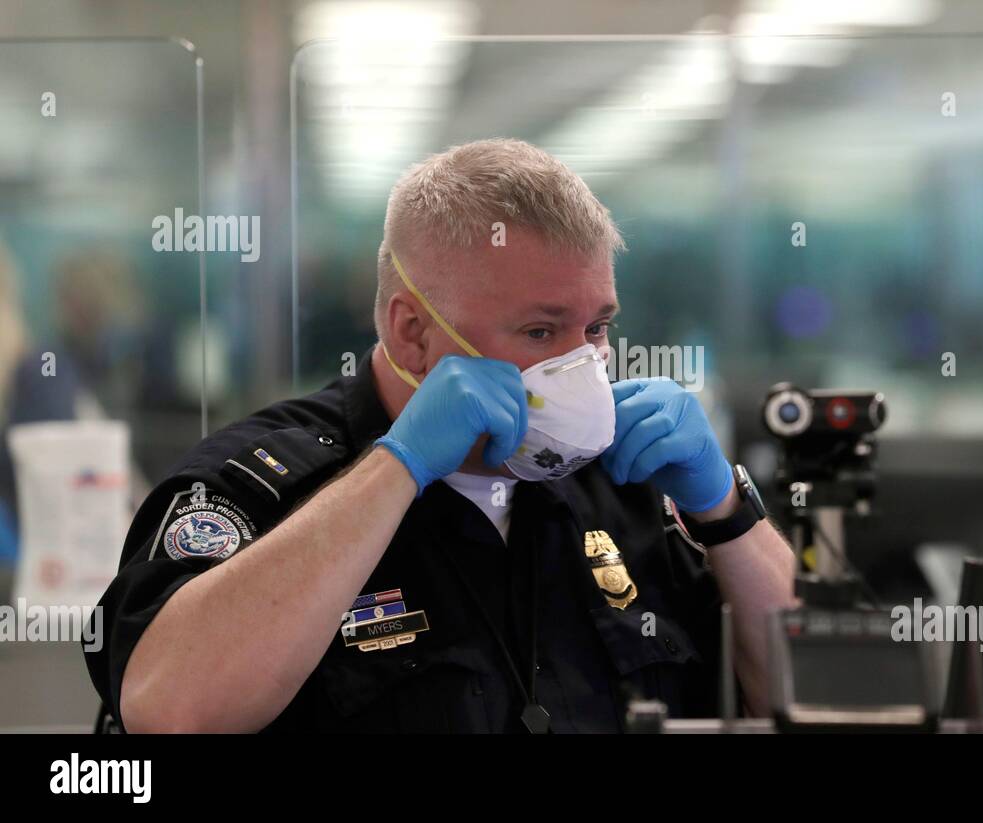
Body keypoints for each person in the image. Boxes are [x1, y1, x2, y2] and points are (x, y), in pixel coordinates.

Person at [85, 138, 797, 733]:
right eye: (541, 330)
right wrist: (396, 468)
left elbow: (815, 698)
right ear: (413, 331)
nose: (584, 363)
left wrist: (726, 512)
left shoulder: (626, 482)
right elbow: (168, 706)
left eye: (597, 328)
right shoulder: (266, 482)